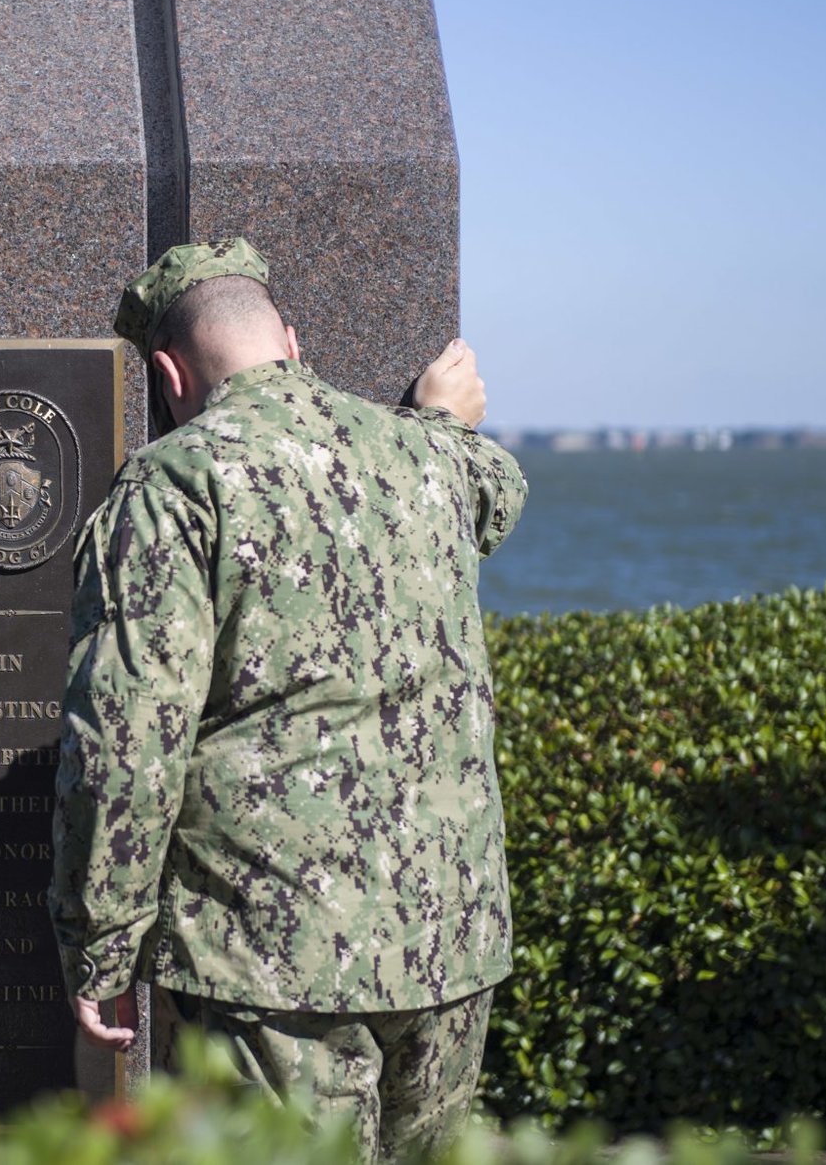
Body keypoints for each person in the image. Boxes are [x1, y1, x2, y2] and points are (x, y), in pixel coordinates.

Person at [48, 237, 527, 1160]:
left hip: (271, 959)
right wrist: (437, 425)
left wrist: (101, 947)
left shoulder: (175, 482)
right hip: (451, 946)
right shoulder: (429, 459)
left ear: (167, 373)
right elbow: (495, 490)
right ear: (294, 343)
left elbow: (126, 736)